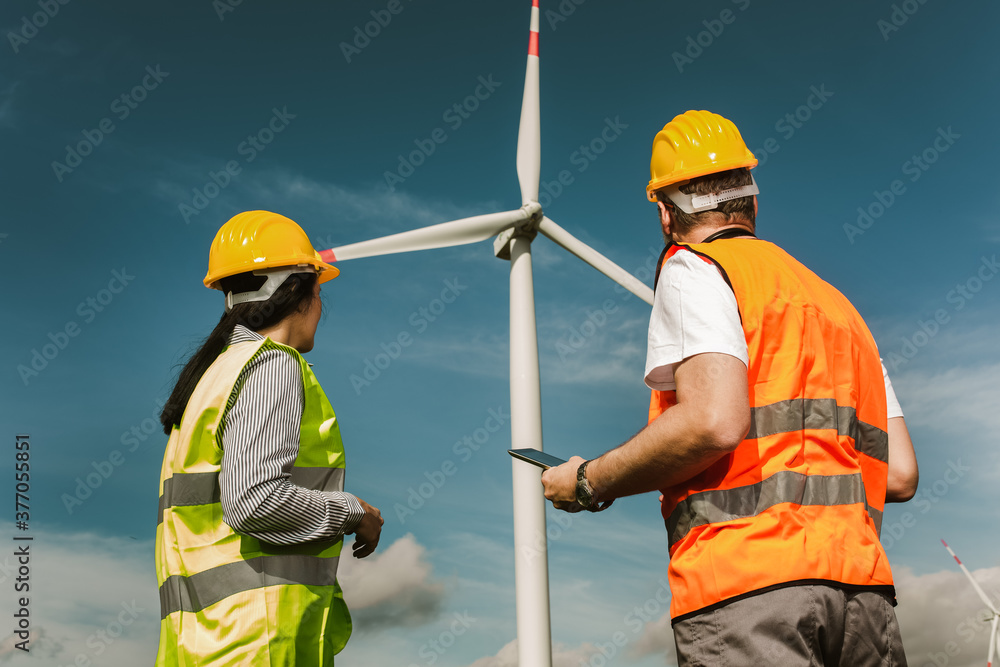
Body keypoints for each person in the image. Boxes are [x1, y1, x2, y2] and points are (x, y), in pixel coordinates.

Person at [541, 111, 917, 665]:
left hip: (748, 586)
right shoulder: (841, 309)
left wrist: (589, 481)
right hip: (864, 595)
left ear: (666, 214)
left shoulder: (695, 267)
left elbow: (714, 421)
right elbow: (902, 473)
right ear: (752, 202)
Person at [155, 210, 383, 666]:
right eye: (319, 292)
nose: (320, 307)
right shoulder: (271, 365)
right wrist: (352, 511)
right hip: (257, 644)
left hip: (202, 647)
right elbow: (254, 501)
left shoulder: (209, 382)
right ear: (299, 293)